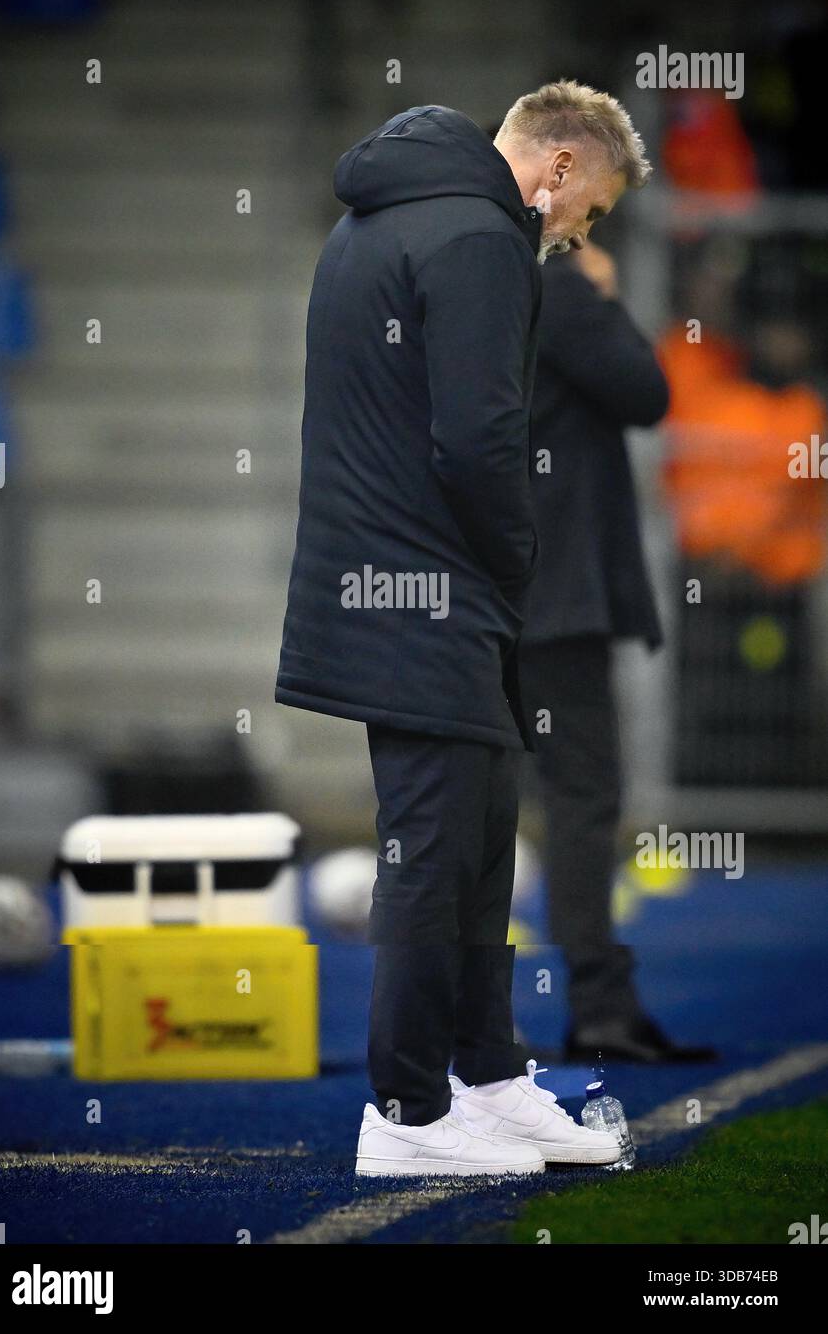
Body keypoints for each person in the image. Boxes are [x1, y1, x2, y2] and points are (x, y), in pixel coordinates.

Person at [276, 82, 651, 1176]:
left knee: (481, 836)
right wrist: (516, 563)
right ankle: (403, 1108)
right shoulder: (481, 236)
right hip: (426, 586)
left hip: (398, 578)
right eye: (589, 212)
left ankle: (484, 1078)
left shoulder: (386, 212)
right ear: (559, 169)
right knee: (434, 848)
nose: (578, 235)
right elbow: (479, 442)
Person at [517, 243, 716, 1062]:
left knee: (496, 802)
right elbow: (648, 391)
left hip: (500, 589)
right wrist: (598, 290)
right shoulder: (558, 287)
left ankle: (466, 1023)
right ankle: (599, 1004)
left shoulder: (475, 287)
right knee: (584, 796)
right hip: (556, 599)